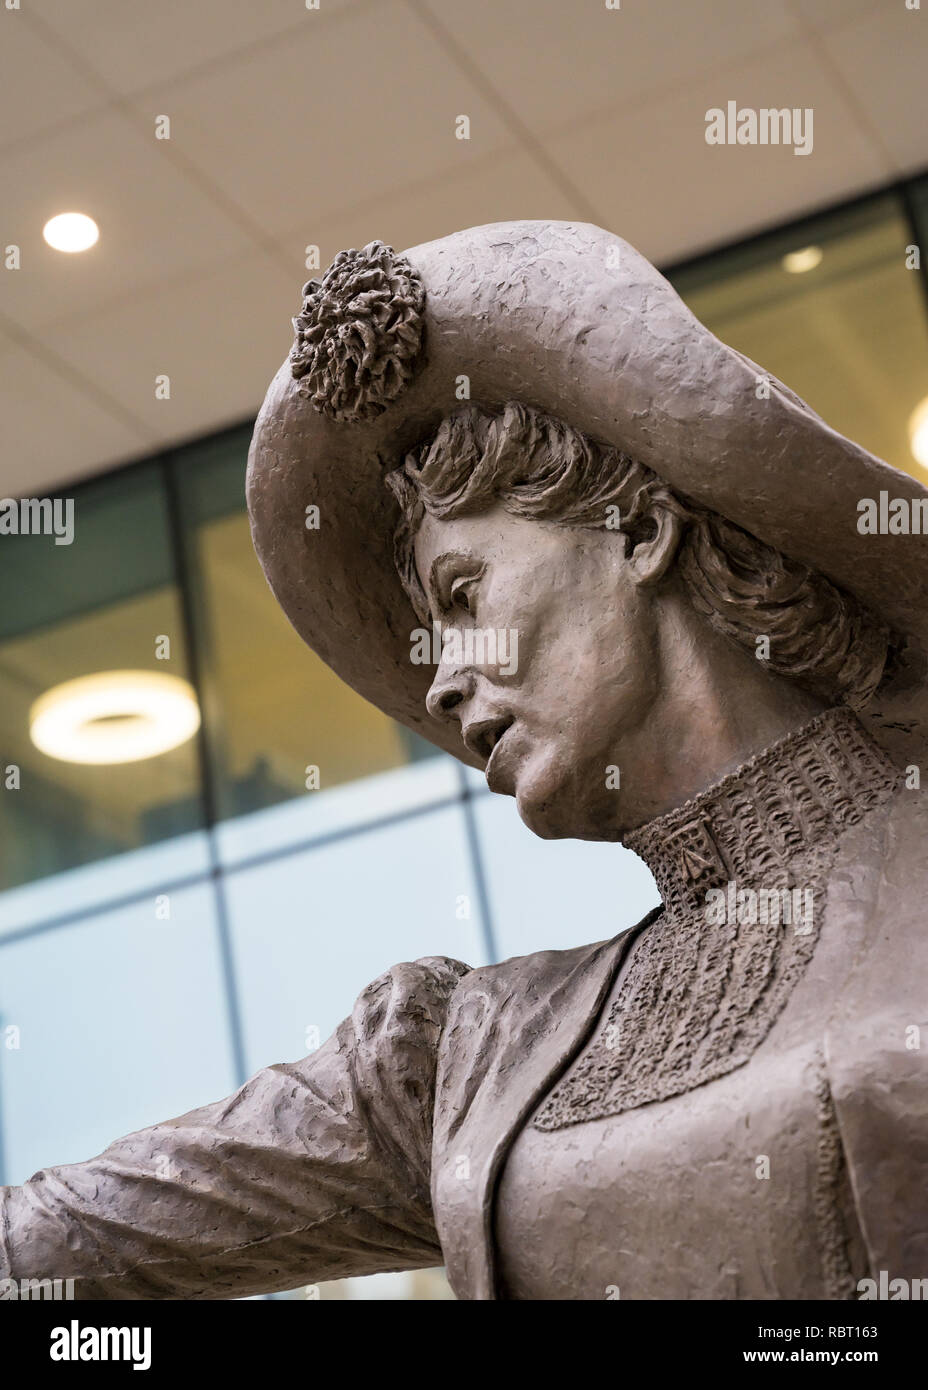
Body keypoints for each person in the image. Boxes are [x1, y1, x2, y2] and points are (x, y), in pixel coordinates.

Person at [2, 223, 926, 1300]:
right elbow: (59, 1243)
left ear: (637, 530)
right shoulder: (467, 1056)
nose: (440, 685)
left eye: (461, 598)